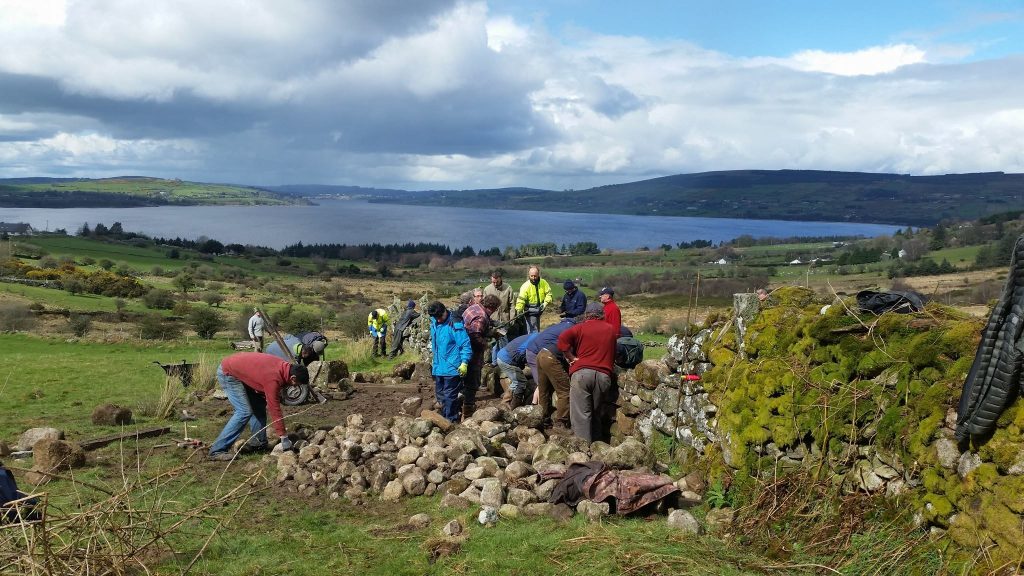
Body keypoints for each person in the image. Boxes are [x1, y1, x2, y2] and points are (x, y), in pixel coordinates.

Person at [208, 352, 309, 460]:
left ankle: (258, 444)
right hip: (228, 372)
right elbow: (274, 409)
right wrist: (283, 437)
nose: (293, 387)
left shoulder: (284, 368)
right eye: (296, 384)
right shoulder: (274, 378)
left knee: (259, 406)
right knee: (244, 412)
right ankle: (217, 450)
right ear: (293, 378)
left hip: (240, 369)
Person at [558, 303, 619, 442]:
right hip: (604, 376)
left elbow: (562, 339)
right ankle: (598, 445)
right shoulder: (610, 329)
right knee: (596, 412)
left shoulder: (580, 327)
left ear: (586, 315)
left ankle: (584, 451)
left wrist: (571, 357)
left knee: (581, 415)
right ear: (602, 315)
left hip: (582, 374)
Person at [526, 316, 578, 428]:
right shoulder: (575, 331)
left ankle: (542, 419)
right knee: (564, 391)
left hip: (541, 353)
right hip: (551, 357)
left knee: (544, 390)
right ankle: (561, 422)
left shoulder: (562, 327)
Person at [427, 301, 472, 423]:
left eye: (440, 317)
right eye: (436, 318)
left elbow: (465, 345)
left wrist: (464, 363)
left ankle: (450, 421)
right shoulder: (435, 323)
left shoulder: (455, 325)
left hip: (452, 367)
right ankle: (444, 418)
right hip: (438, 366)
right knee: (440, 395)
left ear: (444, 311)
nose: (439, 320)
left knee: (449, 397)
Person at [461, 294, 500, 418]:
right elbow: (475, 336)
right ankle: (467, 411)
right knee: (472, 382)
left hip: (462, 349)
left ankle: (460, 404)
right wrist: (487, 344)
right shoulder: (482, 317)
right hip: (472, 353)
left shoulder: (473, 307)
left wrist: (489, 332)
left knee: (463, 381)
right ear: (492, 307)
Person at [496, 332, 539, 408]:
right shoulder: (534, 342)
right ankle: (510, 404)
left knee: (518, 380)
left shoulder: (536, 336)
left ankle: (508, 402)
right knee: (520, 382)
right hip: (507, 359)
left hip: (504, 355)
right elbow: (523, 352)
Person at [515, 266, 552, 334]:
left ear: (538, 275)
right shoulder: (525, 286)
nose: (533, 278)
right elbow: (521, 300)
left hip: (539, 309)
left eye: (535, 276)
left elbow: (548, 293)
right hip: (529, 311)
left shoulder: (543, 283)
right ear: (529, 275)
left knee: (536, 328)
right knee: (533, 330)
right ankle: (533, 342)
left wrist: (545, 303)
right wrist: (518, 310)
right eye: (532, 276)